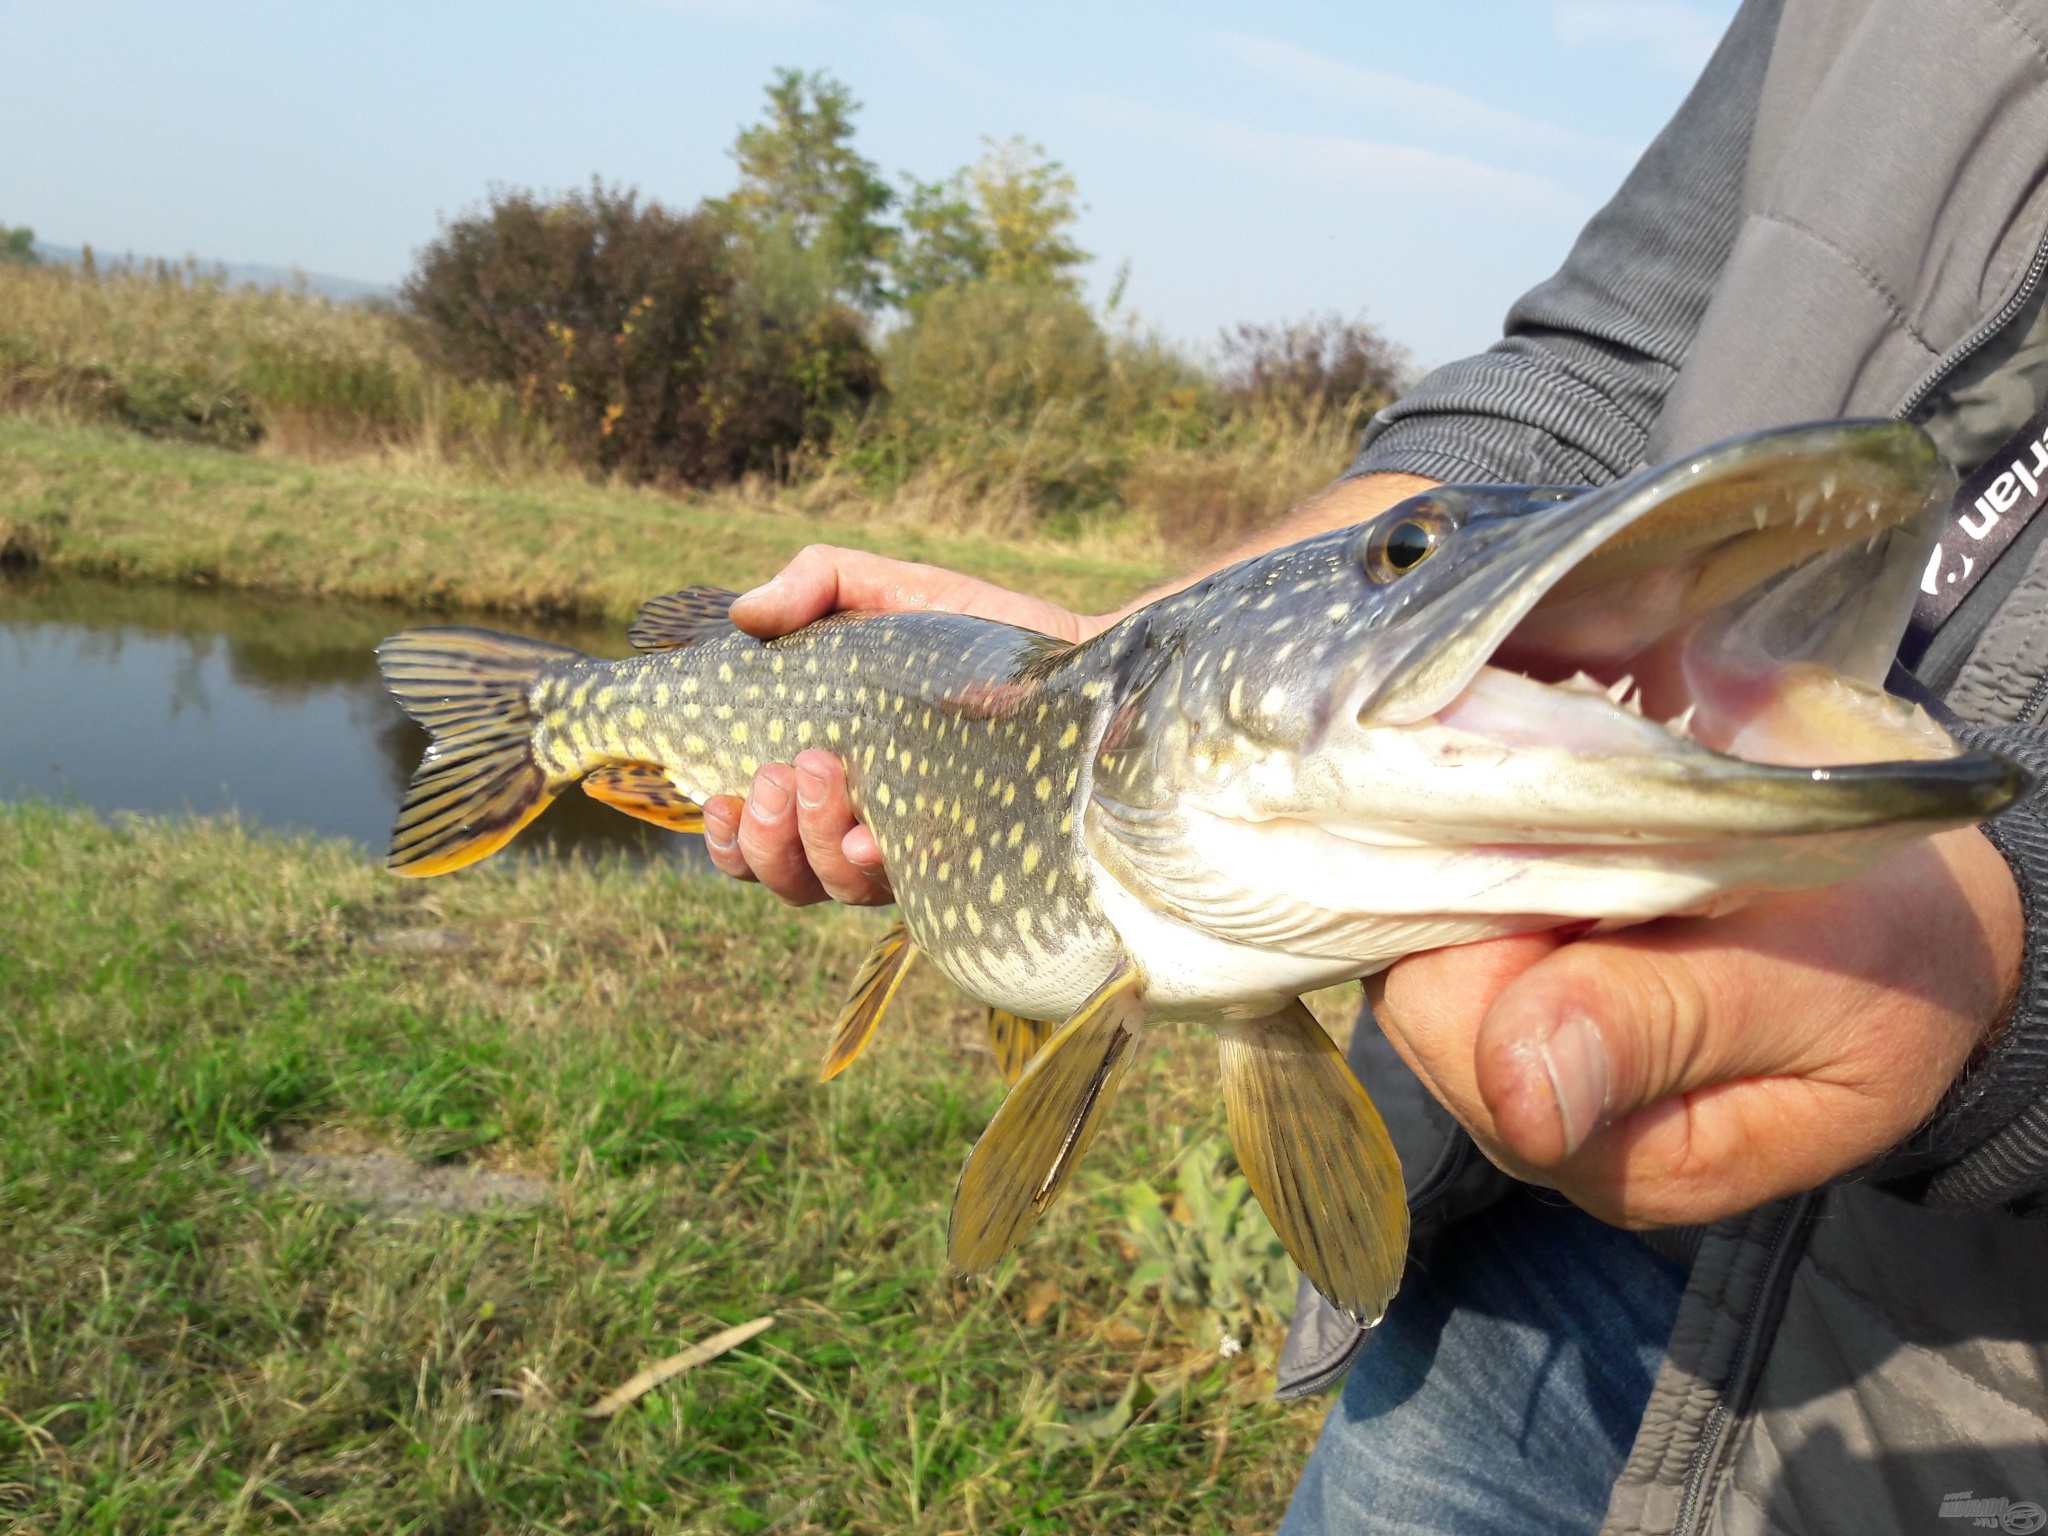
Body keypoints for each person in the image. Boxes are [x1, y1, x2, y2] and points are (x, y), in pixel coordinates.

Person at [693, 1, 2048, 1528]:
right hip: (1508, 1257)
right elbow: (1594, 378)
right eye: (1409, 567)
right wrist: (1107, 649)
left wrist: (2017, 959)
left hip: (1965, 1393)